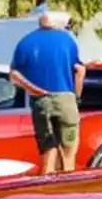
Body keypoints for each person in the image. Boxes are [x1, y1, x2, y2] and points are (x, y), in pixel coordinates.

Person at [9, 11, 86, 174]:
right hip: (65, 99)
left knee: (48, 152)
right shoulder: (67, 40)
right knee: (68, 153)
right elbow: (79, 70)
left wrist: (33, 89)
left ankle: (46, 191)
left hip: (40, 102)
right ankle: (67, 191)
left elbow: (14, 74)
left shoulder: (25, 42)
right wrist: (76, 96)